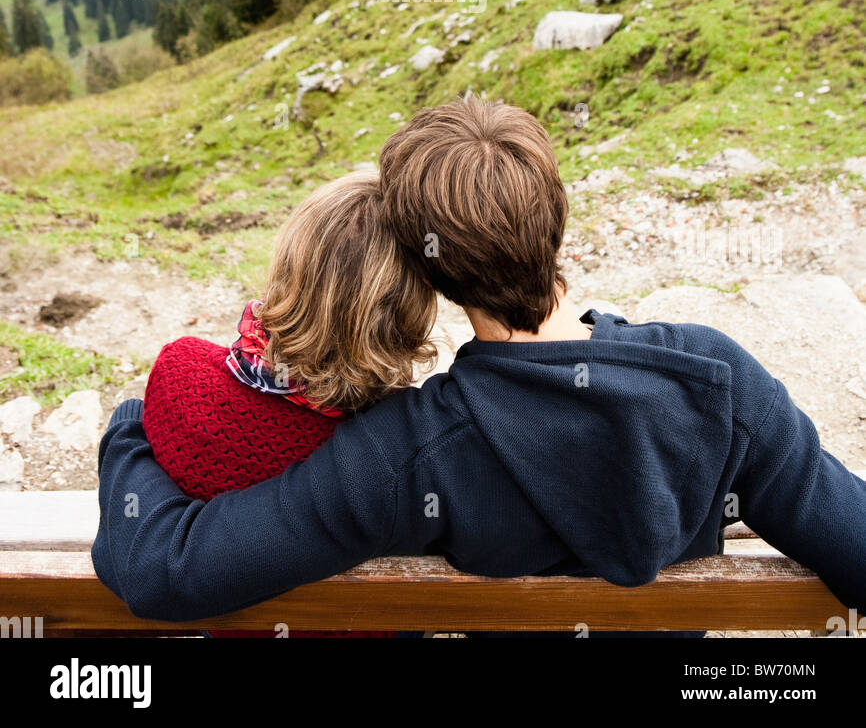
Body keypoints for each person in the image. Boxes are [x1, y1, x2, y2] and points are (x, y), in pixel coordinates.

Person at [93, 97, 866, 631]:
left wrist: (130, 430)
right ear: (556, 216)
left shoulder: (407, 454)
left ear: (434, 279)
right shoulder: (713, 375)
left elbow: (167, 571)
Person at [135, 168, 436, 638]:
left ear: (289, 263)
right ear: (412, 304)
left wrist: (122, 428)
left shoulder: (181, 377)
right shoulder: (417, 440)